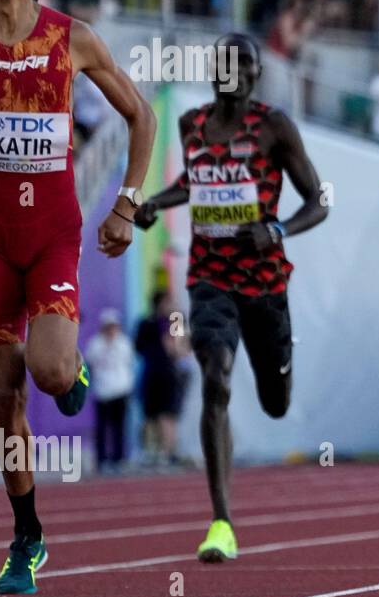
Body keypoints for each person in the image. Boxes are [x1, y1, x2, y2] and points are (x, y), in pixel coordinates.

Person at [0, 0, 156, 593]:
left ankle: (70, 370)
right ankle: (27, 536)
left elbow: (139, 114)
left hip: (50, 232)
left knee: (51, 374)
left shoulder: (72, 39)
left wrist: (125, 203)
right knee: (1, 394)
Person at [134, 32, 330, 560]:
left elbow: (320, 200)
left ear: (257, 73)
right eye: (226, 62)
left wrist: (280, 229)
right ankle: (221, 521)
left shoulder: (273, 127)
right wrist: (155, 200)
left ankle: (281, 369)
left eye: (246, 64)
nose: (235, 71)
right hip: (210, 279)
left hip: (265, 283)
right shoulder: (191, 124)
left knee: (274, 401)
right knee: (215, 378)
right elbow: (194, 183)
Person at [84, 308, 136, 473]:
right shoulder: (95, 344)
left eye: (114, 326)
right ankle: (101, 460)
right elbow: (90, 366)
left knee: (119, 427)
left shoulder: (124, 343)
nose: (112, 329)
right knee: (102, 428)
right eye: (109, 326)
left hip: (121, 389)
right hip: (102, 391)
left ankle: (119, 459)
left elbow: (129, 363)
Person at [133, 290, 182, 467]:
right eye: (168, 301)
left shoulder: (174, 320)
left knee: (166, 414)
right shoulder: (149, 322)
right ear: (160, 303)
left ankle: (167, 452)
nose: (171, 304)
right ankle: (155, 452)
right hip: (155, 372)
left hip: (165, 373)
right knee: (153, 414)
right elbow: (138, 347)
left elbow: (180, 348)